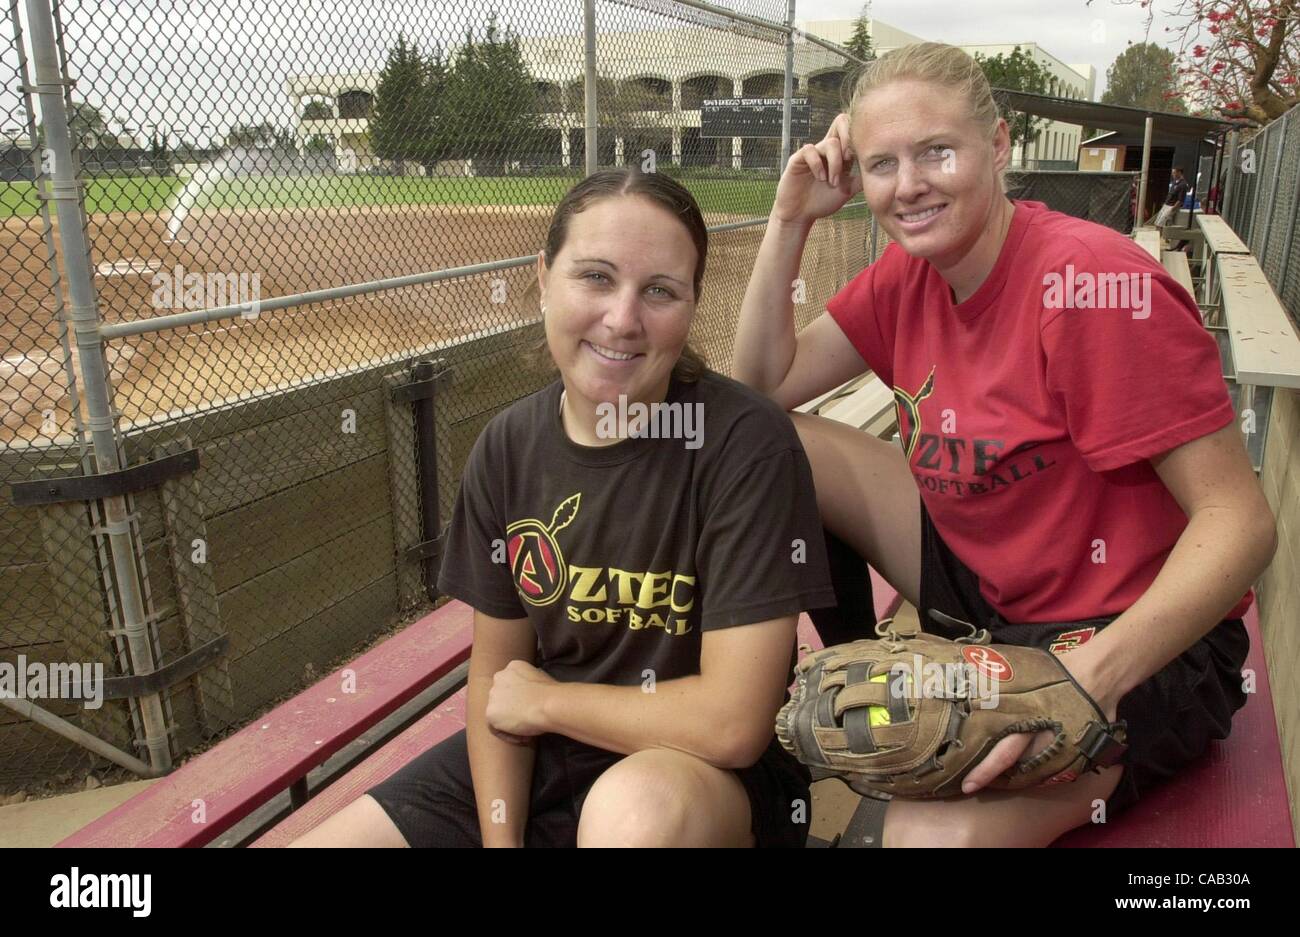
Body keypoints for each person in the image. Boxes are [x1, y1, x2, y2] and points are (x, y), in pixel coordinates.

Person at [733, 42, 1276, 848]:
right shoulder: (910, 275)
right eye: (882, 163)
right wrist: (790, 221)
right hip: (994, 589)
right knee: (775, 443)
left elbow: (1242, 522)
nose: (908, 184)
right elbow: (760, 388)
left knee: (924, 836)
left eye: (936, 152)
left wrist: (1086, 679)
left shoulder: (1092, 287)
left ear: (998, 145)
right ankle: (835, 692)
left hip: (1142, 639)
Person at [291, 168, 836, 848]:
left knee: (630, 817)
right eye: (596, 277)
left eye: (660, 290)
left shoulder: (743, 443)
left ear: (692, 305)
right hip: (550, 748)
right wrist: (502, 838)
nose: (623, 319)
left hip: (702, 775)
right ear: (544, 278)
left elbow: (733, 724)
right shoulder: (508, 446)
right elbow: (498, 675)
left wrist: (548, 701)